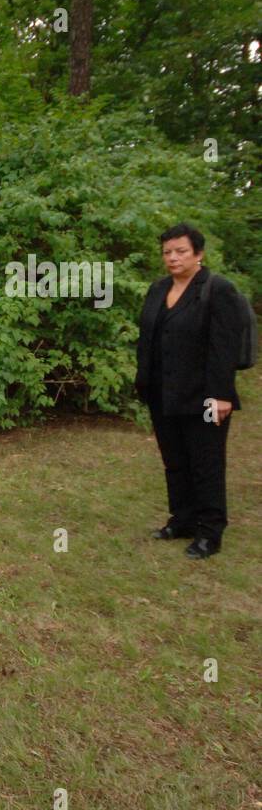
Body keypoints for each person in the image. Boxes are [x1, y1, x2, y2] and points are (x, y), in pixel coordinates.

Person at [135, 223, 243, 559]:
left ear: (199, 254)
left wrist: (221, 395)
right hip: (164, 393)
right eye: (167, 251)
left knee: (206, 463)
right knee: (175, 461)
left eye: (181, 251)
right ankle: (182, 520)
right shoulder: (158, 288)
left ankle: (210, 532)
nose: (173, 257)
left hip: (206, 396)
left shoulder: (217, 289)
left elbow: (223, 347)